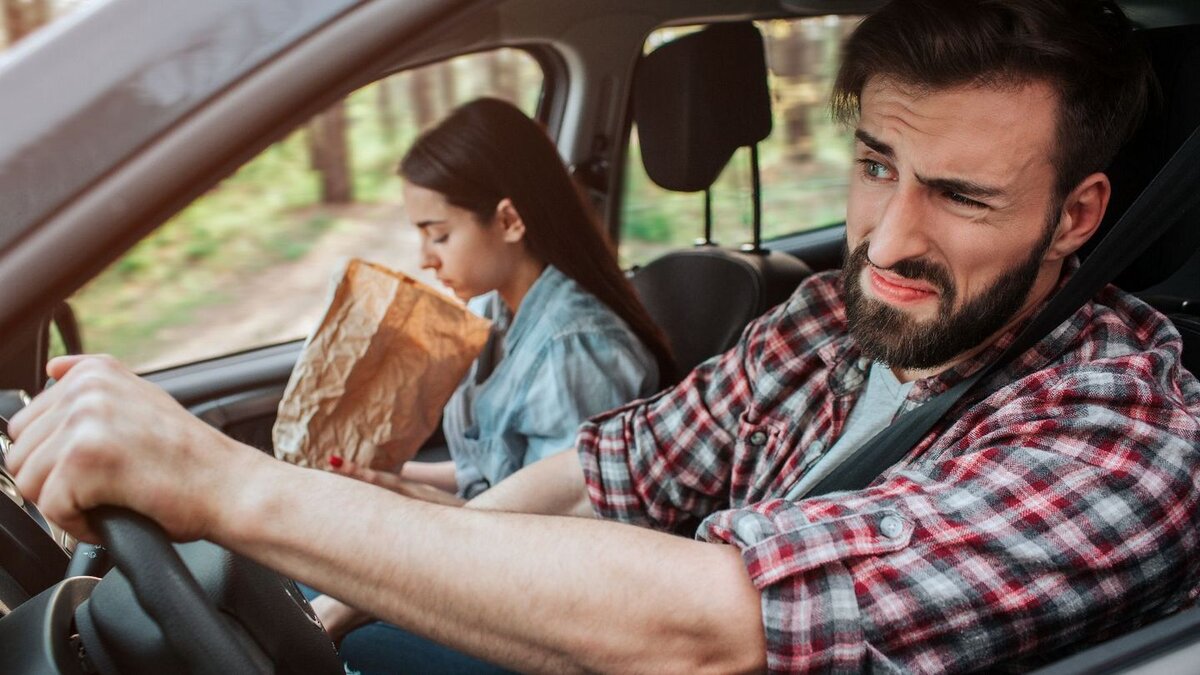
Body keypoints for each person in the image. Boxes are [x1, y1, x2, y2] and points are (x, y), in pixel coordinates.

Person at [9, 0, 1200, 672]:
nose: (885, 238)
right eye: (876, 166)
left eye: (962, 195)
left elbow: (716, 626)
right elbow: (608, 465)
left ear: (1075, 217)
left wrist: (228, 489)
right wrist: (350, 585)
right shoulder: (832, 321)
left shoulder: (1127, 434)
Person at [331, 97, 672, 506]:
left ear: (509, 221)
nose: (425, 259)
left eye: (439, 235)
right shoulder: (497, 311)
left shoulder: (572, 348)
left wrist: (407, 495)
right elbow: (501, 474)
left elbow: (555, 528)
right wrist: (382, 475)